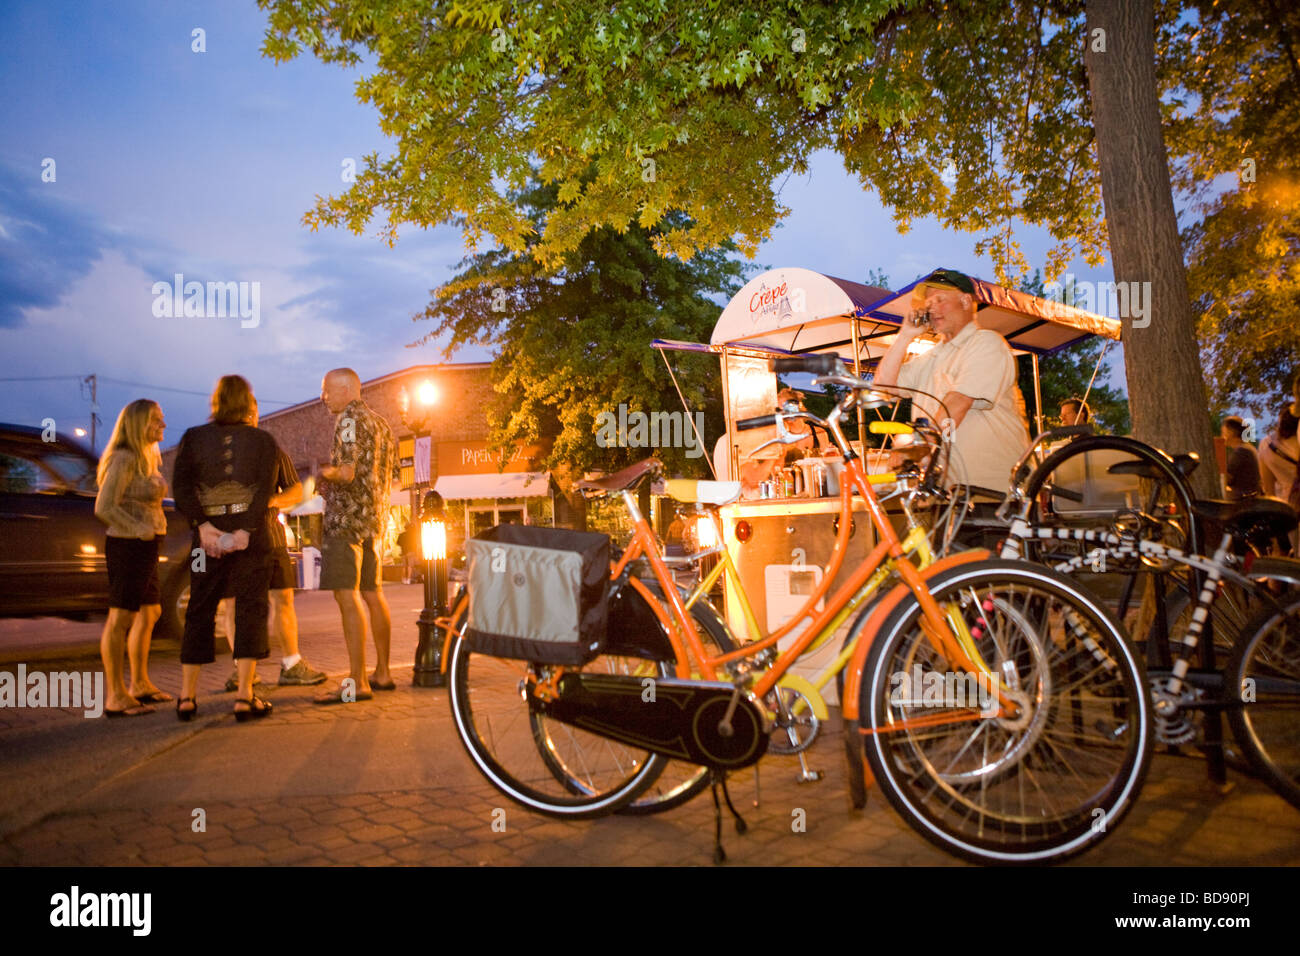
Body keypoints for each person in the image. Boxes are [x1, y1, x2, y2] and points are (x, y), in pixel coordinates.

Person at [171, 376, 281, 722]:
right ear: (249, 402)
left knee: (199, 608)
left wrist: (203, 527)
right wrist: (246, 530)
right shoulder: (263, 441)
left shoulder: (192, 438)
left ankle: (187, 696)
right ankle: (244, 697)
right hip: (250, 539)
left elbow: (182, 488)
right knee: (250, 608)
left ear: (215, 401)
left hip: (205, 541)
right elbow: (265, 490)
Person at [873, 268, 1030, 492]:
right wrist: (905, 336)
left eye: (940, 300)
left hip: (996, 495)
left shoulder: (986, 343)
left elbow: (957, 404)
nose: (932, 308)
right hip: (951, 495)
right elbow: (882, 387)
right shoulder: (932, 357)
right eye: (928, 303)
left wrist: (923, 445)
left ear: (966, 301)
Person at [219, 398, 327, 691]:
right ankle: (243, 670)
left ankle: (291, 664)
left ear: (254, 415)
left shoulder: (271, 449)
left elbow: (294, 490)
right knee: (233, 603)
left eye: (250, 413)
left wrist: (271, 500)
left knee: (282, 598)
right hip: (231, 540)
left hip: (270, 536)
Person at [314, 368, 398, 704]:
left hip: (345, 521)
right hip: (373, 520)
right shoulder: (382, 423)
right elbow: (387, 476)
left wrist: (321, 473)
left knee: (346, 596)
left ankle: (357, 681)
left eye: (327, 390)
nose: (323, 397)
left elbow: (346, 472)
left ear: (347, 388)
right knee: (373, 594)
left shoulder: (347, 420)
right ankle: (383, 672)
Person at [93, 399, 173, 716]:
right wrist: (137, 528)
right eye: (156, 420)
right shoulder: (124, 458)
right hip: (128, 546)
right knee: (121, 617)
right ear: (139, 423)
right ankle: (115, 695)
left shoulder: (146, 458)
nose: (163, 425)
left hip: (147, 545)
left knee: (150, 612)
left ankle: (140, 683)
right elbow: (103, 507)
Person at [1221, 415, 1261, 500]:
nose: (1222, 436)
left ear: (1231, 432)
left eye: (1224, 432)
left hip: (1242, 501)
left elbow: (1227, 479)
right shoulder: (1248, 448)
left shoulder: (1241, 451)